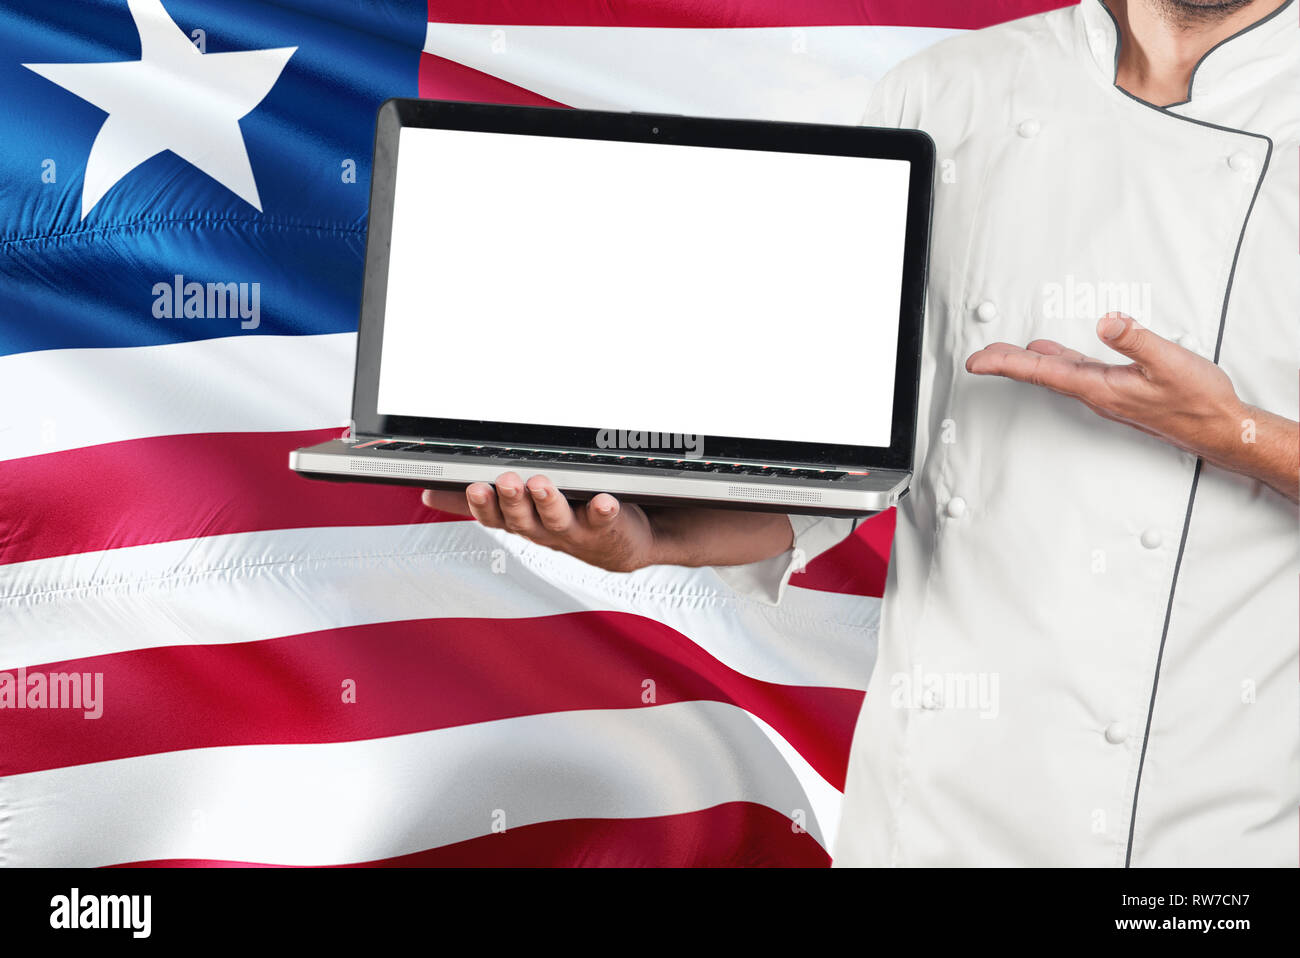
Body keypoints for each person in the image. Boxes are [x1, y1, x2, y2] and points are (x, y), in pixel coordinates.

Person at [422, 0, 1299, 866]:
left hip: (1219, 822)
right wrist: (655, 536)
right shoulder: (945, 93)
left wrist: (1236, 434)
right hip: (939, 814)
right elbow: (856, 454)